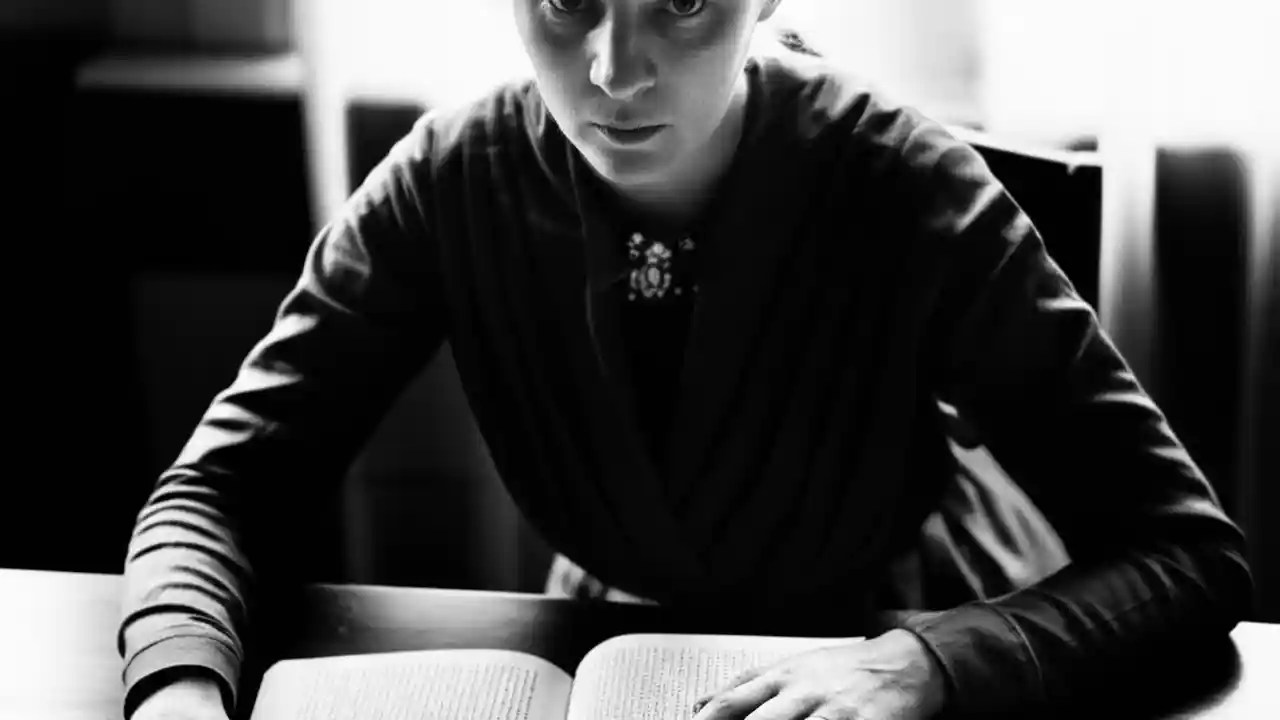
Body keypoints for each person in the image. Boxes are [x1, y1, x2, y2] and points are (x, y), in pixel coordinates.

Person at [118, 1, 1254, 719]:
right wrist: (176, 689)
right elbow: (217, 489)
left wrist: (931, 666)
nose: (614, 69)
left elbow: (1188, 553)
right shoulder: (448, 180)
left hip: (900, 627)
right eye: (565, 1)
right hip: (613, 648)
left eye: (683, 4)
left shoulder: (904, 181)